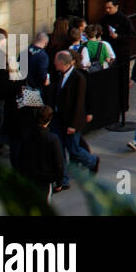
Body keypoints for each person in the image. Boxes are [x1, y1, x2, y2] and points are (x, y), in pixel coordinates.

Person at [50, 51, 99, 185]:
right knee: (59, 150)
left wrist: (73, 125)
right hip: (58, 119)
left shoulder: (78, 78)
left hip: (71, 121)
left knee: (74, 149)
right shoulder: (59, 75)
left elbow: (79, 103)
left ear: (62, 63)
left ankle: (92, 161)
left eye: (56, 62)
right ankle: (63, 180)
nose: (54, 64)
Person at [20, 107, 66, 201]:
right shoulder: (52, 139)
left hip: (30, 176)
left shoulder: (27, 136)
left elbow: (22, 156)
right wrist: (59, 182)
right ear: (49, 119)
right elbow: (59, 163)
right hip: (45, 178)